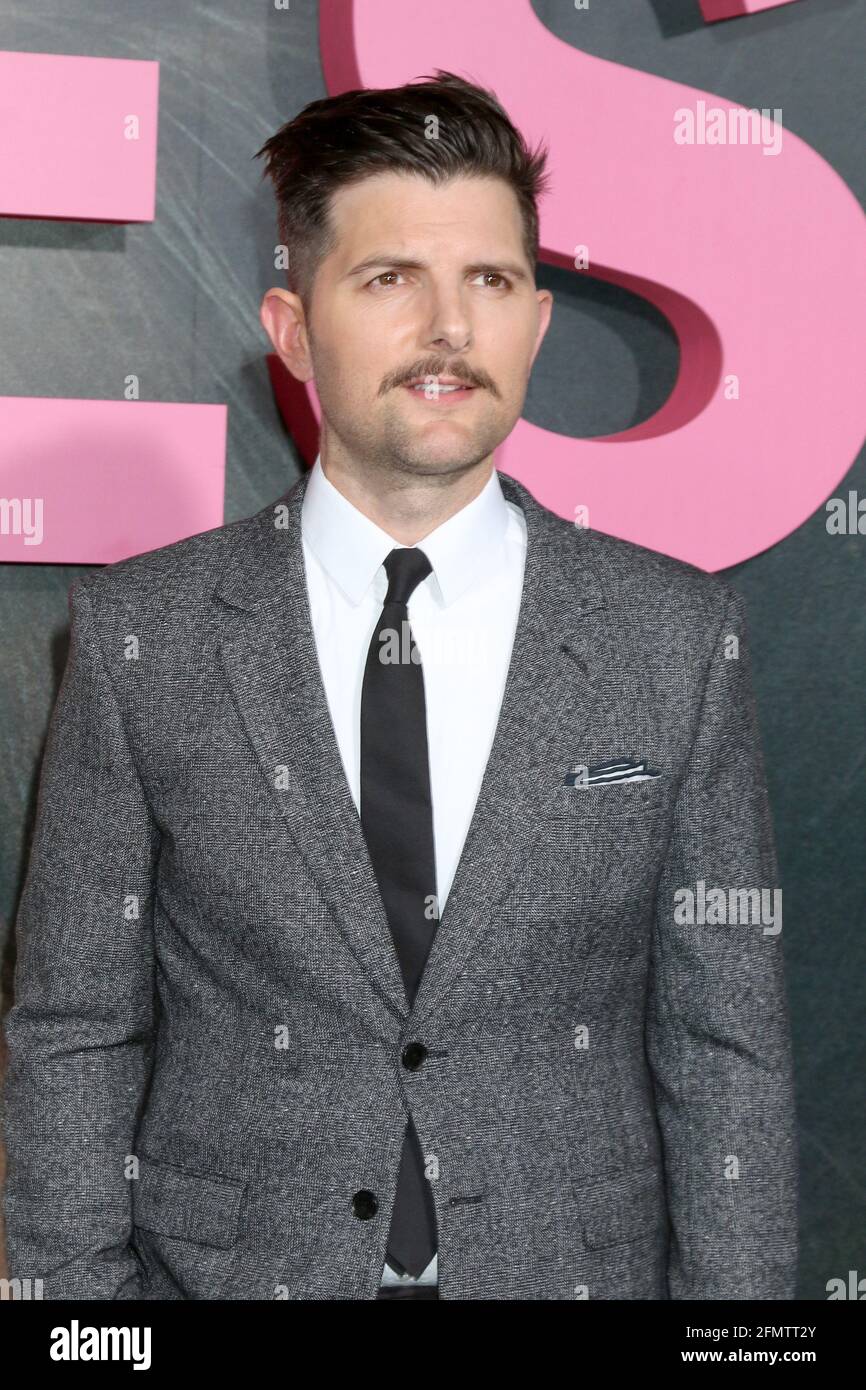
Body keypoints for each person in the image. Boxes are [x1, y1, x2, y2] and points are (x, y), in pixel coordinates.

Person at [1, 71, 797, 1300]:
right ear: (291, 327)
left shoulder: (672, 636)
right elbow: (73, 1032)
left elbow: (723, 1049)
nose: (448, 326)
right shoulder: (139, 636)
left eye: (489, 280)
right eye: (390, 280)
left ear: (535, 321)